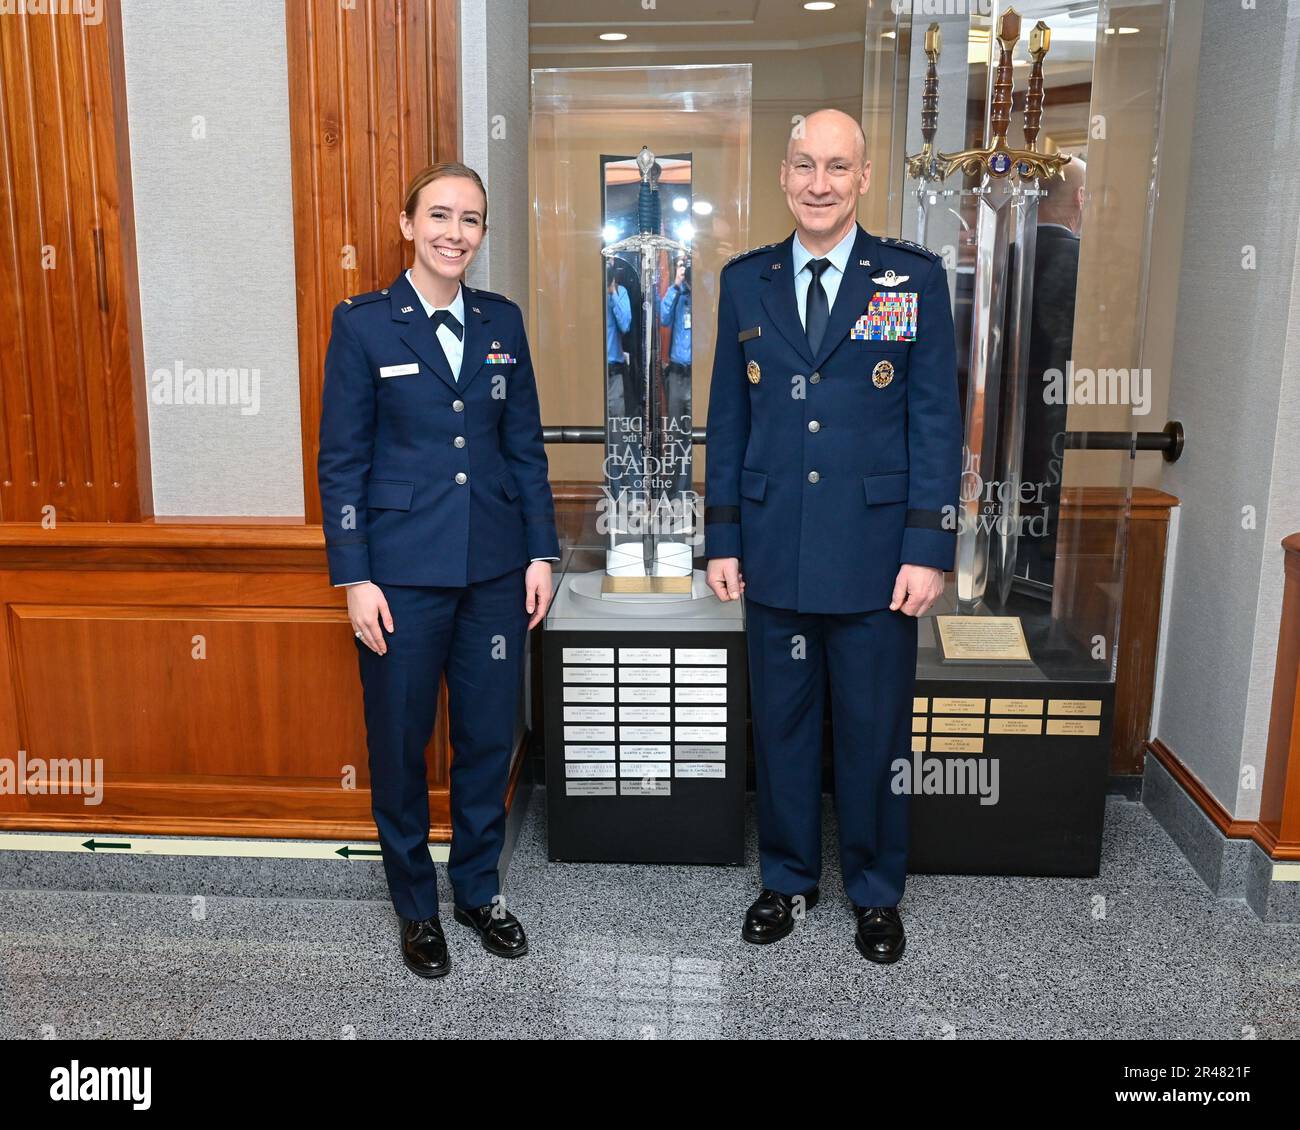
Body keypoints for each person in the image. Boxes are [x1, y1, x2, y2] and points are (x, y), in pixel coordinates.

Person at [704, 109, 962, 964]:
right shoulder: (746, 282)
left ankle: (876, 892)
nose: (820, 183)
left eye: (838, 168)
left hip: (879, 555)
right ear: (784, 176)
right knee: (779, 726)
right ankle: (784, 881)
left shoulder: (910, 280)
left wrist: (928, 547)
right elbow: (728, 419)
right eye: (806, 166)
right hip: (775, 548)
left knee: (874, 729)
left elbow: (935, 424)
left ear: (863, 178)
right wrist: (723, 537)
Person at [317, 162, 560, 978]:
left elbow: (522, 447)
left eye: (471, 220)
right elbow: (341, 462)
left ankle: (478, 890)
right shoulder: (363, 326)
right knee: (399, 743)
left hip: (493, 573)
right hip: (400, 578)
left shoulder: (502, 321)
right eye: (441, 216)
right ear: (407, 223)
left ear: (482, 235)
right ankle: (416, 907)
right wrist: (355, 575)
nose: (456, 233)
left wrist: (540, 551)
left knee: (489, 739)